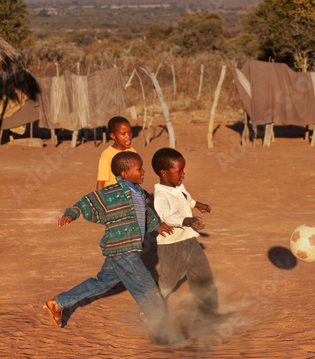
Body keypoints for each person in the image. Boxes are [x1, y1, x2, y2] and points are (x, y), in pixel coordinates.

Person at [44, 151, 187, 346]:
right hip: (123, 250)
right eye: (139, 169)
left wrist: (157, 225)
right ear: (125, 174)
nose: (144, 171)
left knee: (101, 283)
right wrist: (71, 214)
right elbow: (86, 202)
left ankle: (57, 303)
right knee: (147, 288)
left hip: (119, 251)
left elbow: (144, 214)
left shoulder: (138, 193)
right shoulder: (110, 193)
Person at [151, 147, 221, 322]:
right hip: (172, 246)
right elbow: (168, 216)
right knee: (167, 282)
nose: (183, 174)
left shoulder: (178, 185)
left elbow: (186, 198)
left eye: (183, 169)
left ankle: (208, 314)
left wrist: (198, 204)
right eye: (179, 171)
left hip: (189, 240)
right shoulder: (160, 195)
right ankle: (150, 308)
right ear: (164, 173)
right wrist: (188, 221)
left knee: (203, 275)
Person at [96, 116, 135, 190]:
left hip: (130, 195)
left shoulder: (132, 152)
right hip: (113, 196)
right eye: (123, 134)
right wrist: (100, 200)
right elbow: (101, 181)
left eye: (130, 132)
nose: (128, 136)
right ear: (113, 136)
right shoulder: (107, 154)